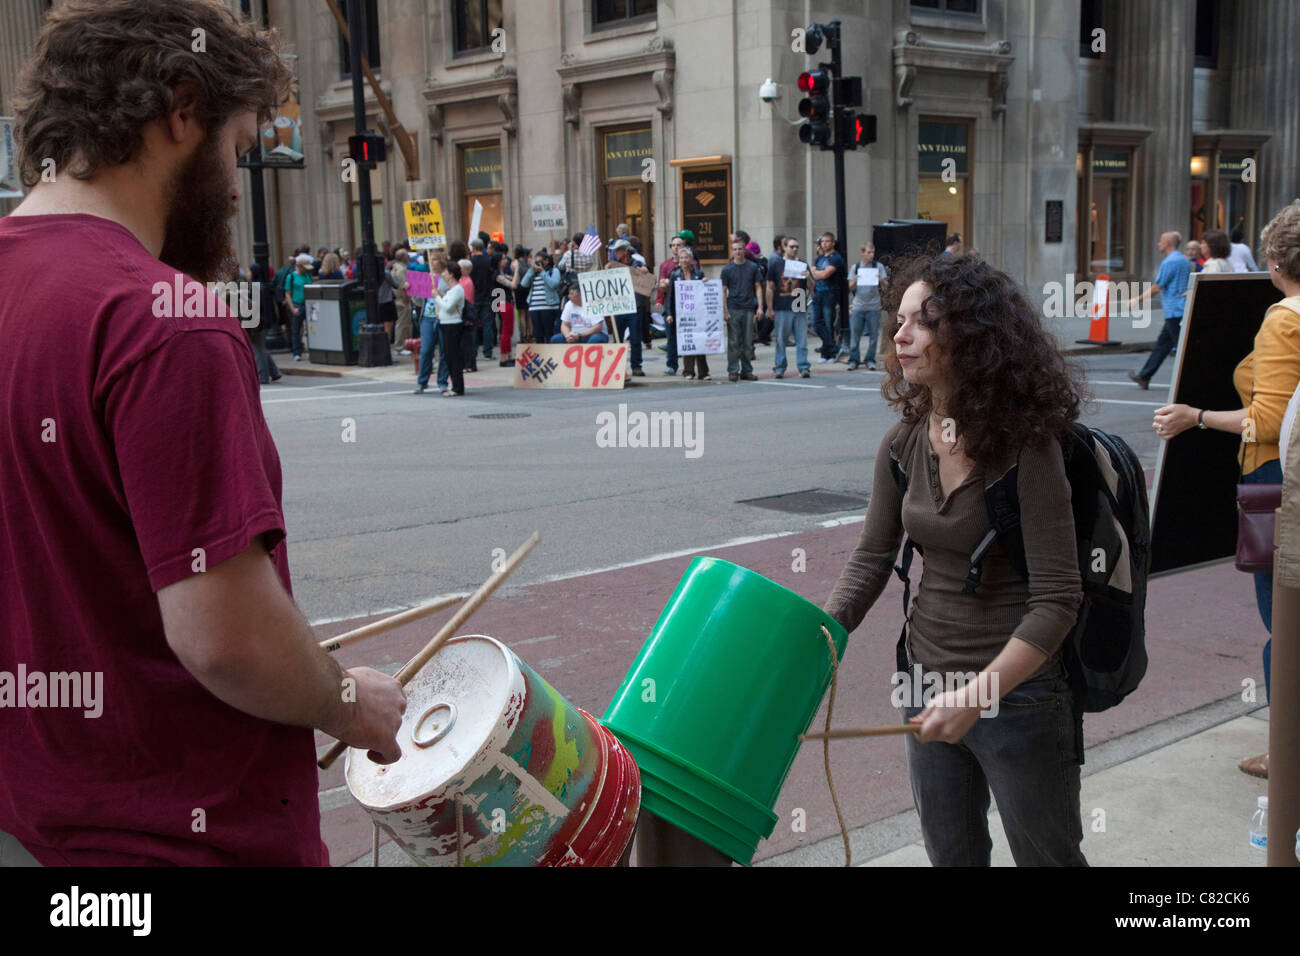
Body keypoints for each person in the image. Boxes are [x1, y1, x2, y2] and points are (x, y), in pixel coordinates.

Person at [0, 0, 405, 867]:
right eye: (238, 148)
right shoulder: (165, 320)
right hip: (180, 840)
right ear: (181, 109)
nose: (234, 185)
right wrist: (343, 699)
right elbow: (223, 636)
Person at [823, 253, 1090, 866]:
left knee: (1047, 857)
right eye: (899, 319)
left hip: (1017, 695)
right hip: (923, 681)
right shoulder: (903, 440)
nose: (901, 334)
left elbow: (1058, 599)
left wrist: (977, 696)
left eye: (925, 321)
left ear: (972, 337)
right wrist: (820, 637)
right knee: (952, 856)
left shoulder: (1029, 446)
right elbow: (871, 558)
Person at [1151, 200, 1300, 781]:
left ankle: (1287, 756)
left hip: (1277, 481)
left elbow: (1268, 420)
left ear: (1271, 259)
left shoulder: (1283, 318)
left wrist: (1197, 415)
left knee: (1282, 625)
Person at [1127, 231, 1192, 388]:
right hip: (1180, 308)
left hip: (1174, 309)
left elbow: (1158, 286)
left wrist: (1137, 299)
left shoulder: (1170, 262)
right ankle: (1145, 376)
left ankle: (1192, 383)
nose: (1158, 244)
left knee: (1182, 349)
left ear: (1168, 243)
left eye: (1161, 241)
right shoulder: (1184, 260)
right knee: (1163, 345)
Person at [767, 236, 811, 378]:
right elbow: (770, 287)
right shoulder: (776, 265)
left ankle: (803, 366)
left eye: (797, 247)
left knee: (802, 339)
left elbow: (812, 287)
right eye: (791, 246)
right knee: (781, 339)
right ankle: (779, 367)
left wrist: (808, 276)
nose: (794, 249)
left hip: (799, 303)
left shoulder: (803, 264)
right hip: (782, 304)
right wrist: (770, 308)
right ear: (784, 248)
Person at [720, 237, 762, 381]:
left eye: (740, 249)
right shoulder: (726, 269)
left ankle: (747, 370)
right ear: (732, 251)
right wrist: (725, 310)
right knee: (733, 342)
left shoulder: (753, 267)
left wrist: (760, 307)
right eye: (735, 249)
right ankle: (733, 370)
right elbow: (723, 291)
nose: (738, 251)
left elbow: (758, 287)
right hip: (733, 308)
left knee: (748, 342)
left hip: (749, 308)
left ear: (745, 250)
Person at [663, 244, 707, 378]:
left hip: (697, 314)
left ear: (691, 259)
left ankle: (704, 372)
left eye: (686, 257)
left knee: (699, 341)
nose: (683, 260)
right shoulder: (675, 275)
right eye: (681, 258)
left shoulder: (698, 274)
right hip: (681, 315)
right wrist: (669, 313)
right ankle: (688, 371)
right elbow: (670, 296)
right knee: (686, 342)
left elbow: (705, 292)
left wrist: (705, 282)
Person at [606, 239, 647, 376]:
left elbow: (646, 279)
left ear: (624, 252)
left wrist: (643, 272)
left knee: (635, 338)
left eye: (616, 250)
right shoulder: (613, 266)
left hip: (635, 307)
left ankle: (636, 366)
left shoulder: (637, 265)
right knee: (617, 338)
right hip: (619, 307)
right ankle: (617, 366)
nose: (614, 253)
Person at [847, 242, 888, 371]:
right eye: (869, 252)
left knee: (874, 335)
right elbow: (850, 287)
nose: (871, 255)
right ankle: (854, 359)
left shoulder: (878, 266)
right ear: (862, 253)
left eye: (873, 252)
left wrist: (881, 279)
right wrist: (856, 280)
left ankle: (870, 359)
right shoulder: (856, 267)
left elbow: (885, 286)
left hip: (874, 306)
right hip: (858, 305)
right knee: (855, 334)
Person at [430, 259, 468, 396]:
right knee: (449, 357)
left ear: (451, 274)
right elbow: (447, 302)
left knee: (454, 357)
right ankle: (455, 385)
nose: (443, 274)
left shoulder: (458, 289)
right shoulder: (452, 290)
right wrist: (441, 295)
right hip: (446, 325)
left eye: (445, 272)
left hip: (453, 325)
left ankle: (458, 387)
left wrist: (437, 298)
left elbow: (448, 307)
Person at [414, 249, 449, 393]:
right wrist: (412, 290)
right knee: (426, 349)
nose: (432, 262)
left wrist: (440, 294)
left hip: (443, 317)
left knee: (444, 351)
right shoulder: (427, 277)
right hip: (428, 317)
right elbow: (418, 301)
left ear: (441, 261)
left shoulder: (447, 278)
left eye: (435, 259)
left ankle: (442, 381)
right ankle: (422, 381)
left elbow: (452, 296)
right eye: (431, 259)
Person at [809, 231, 845, 362]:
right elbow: (811, 273)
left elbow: (824, 275)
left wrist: (817, 273)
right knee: (816, 323)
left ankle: (827, 353)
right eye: (822, 241)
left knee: (828, 324)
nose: (824, 244)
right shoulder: (819, 258)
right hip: (818, 293)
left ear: (833, 243)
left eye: (827, 241)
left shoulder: (836, 258)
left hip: (830, 293)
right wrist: (818, 273)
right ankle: (833, 348)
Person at [248, 261, 281, 385]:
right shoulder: (265, 286)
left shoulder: (255, 287)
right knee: (261, 347)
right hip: (266, 321)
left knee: (258, 348)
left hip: (259, 321)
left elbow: (255, 306)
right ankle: (274, 372)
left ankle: (263, 376)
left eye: (249, 270)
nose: (248, 273)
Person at [521, 249, 563, 345]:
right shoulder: (533, 272)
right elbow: (523, 284)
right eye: (536, 261)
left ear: (546, 261)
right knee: (538, 335)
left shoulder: (554, 271)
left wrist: (542, 272)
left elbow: (553, 284)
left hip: (549, 306)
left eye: (540, 261)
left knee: (549, 334)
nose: (538, 264)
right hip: (534, 307)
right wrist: (531, 270)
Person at [468, 237, 496, 361]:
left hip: (474, 296)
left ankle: (473, 351)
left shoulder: (470, 262)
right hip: (487, 295)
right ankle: (487, 351)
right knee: (487, 325)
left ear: (473, 248)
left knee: (473, 325)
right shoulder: (488, 260)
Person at [283, 252, 314, 360]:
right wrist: (292, 308)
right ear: (299, 266)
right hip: (297, 304)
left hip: (308, 304)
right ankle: (297, 352)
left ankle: (311, 349)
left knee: (310, 329)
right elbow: (287, 294)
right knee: (296, 330)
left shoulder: (308, 276)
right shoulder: (291, 277)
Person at [391, 248, 414, 352]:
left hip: (397, 299)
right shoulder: (402, 269)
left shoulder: (395, 267)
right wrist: (406, 300)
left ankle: (404, 345)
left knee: (403, 323)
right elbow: (404, 287)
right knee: (403, 324)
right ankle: (400, 346)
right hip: (402, 300)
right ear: (404, 257)